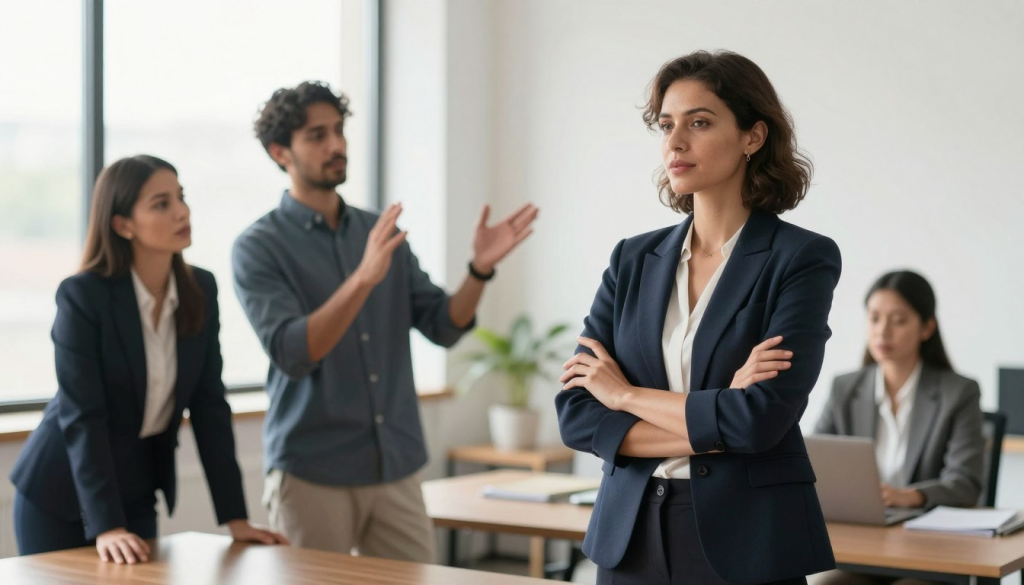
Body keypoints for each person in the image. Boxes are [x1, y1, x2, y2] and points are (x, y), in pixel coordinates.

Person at [555, 50, 840, 584]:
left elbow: (760, 419)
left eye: (699, 122)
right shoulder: (632, 259)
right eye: (666, 125)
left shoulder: (801, 258)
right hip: (632, 532)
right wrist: (715, 419)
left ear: (753, 136)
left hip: (746, 540)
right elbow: (576, 413)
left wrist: (624, 397)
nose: (675, 142)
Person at [232, 81, 538, 561]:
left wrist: (479, 269)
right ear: (280, 152)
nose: (336, 145)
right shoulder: (259, 247)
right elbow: (294, 352)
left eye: (338, 130)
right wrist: (362, 279)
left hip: (395, 463)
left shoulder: (381, 232)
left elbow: (443, 325)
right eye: (317, 135)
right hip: (312, 470)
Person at [9, 155, 286, 563]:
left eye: (181, 197)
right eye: (161, 203)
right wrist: (106, 526)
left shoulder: (200, 289)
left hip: (137, 492)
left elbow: (210, 407)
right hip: (61, 494)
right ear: (123, 225)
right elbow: (83, 415)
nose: (182, 211)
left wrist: (236, 519)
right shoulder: (83, 296)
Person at [810, 271, 984, 585]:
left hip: (933, 551)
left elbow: (966, 483)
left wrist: (911, 496)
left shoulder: (959, 392)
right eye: (874, 318)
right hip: (862, 544)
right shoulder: (844, 389)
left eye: (899, 320)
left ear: (927, 327)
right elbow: (814, 463)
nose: (883, 332)